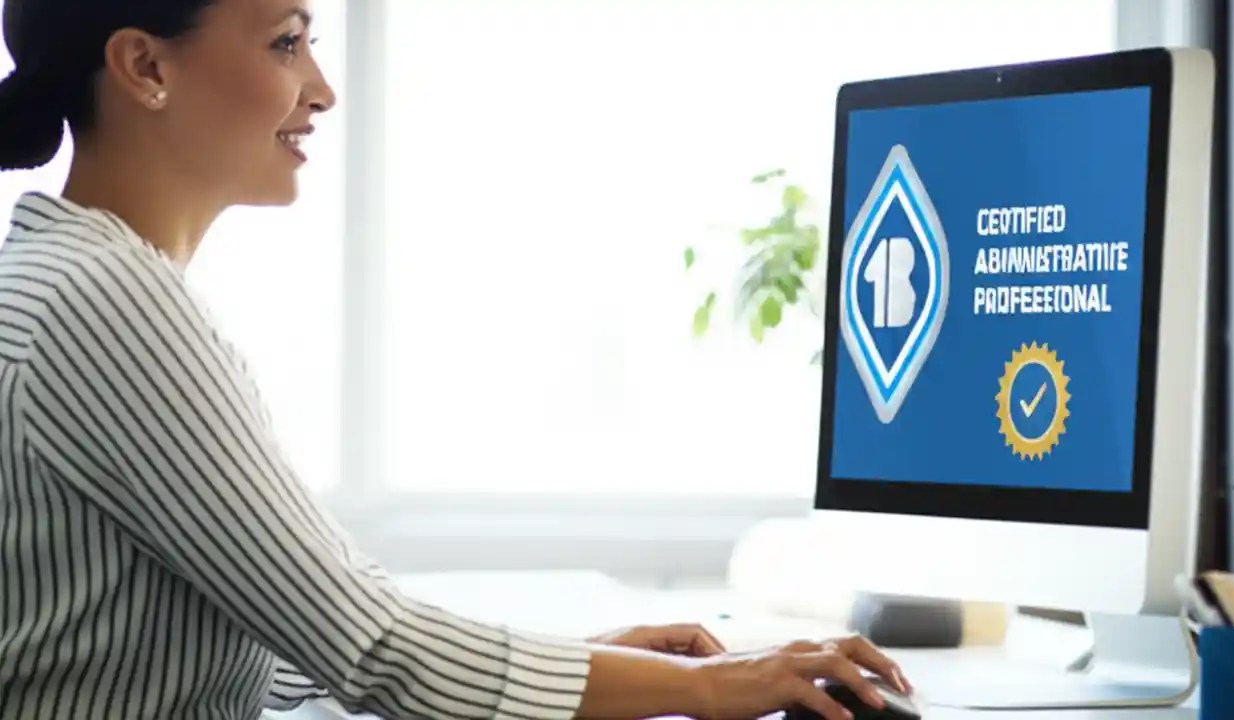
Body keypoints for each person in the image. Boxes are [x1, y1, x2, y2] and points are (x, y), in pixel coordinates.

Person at [0, 1, 910, 718]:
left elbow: (276, 647)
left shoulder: (57, 273)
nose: (320, 88)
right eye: (285, 43)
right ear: (145, 66)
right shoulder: (108, 301)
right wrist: (713, 687)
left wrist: (594, 663)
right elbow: (374, 648)